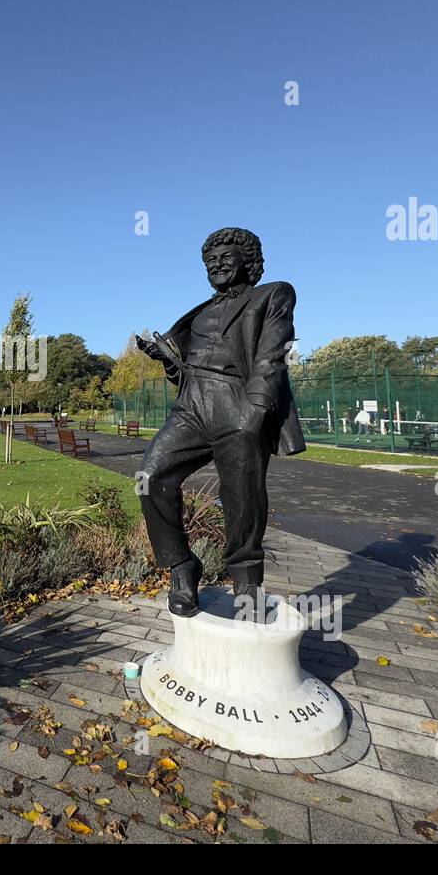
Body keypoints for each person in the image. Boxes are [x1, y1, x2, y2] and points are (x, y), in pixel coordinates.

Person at [134, 227, 304, 616]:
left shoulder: (273, 294)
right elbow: (190, 369)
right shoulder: (200, 312)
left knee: (242, 496)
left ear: (250, 262)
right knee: (151, 476)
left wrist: (255, 410)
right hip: (191, 406)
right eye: (210, 261)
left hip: (237, 403)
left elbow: (272, 355)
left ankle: (246, 584)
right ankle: (181, 566)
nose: (217, 265)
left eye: (226, 258)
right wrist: (166, 359)